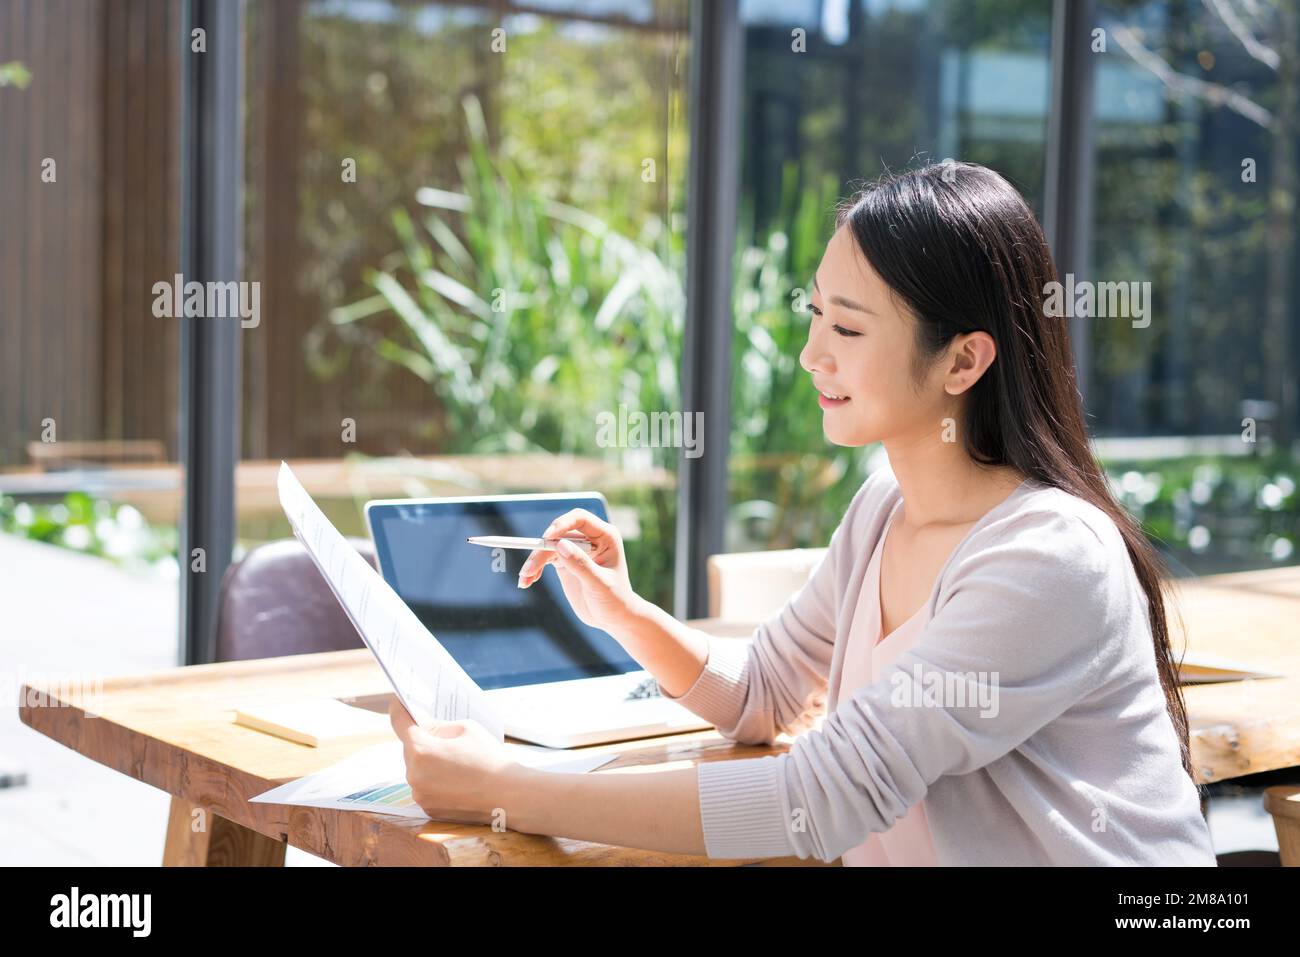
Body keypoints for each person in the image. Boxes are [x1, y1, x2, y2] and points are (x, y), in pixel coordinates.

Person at [388, 161, 1218, 865]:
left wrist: (499, 787)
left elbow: (819, 799)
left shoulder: (1050, 554)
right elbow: (761, 694)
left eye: (848, 328)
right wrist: (624, 613)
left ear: (963, 359)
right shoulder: (882, 511)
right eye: (815, 313)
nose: (811, 353)